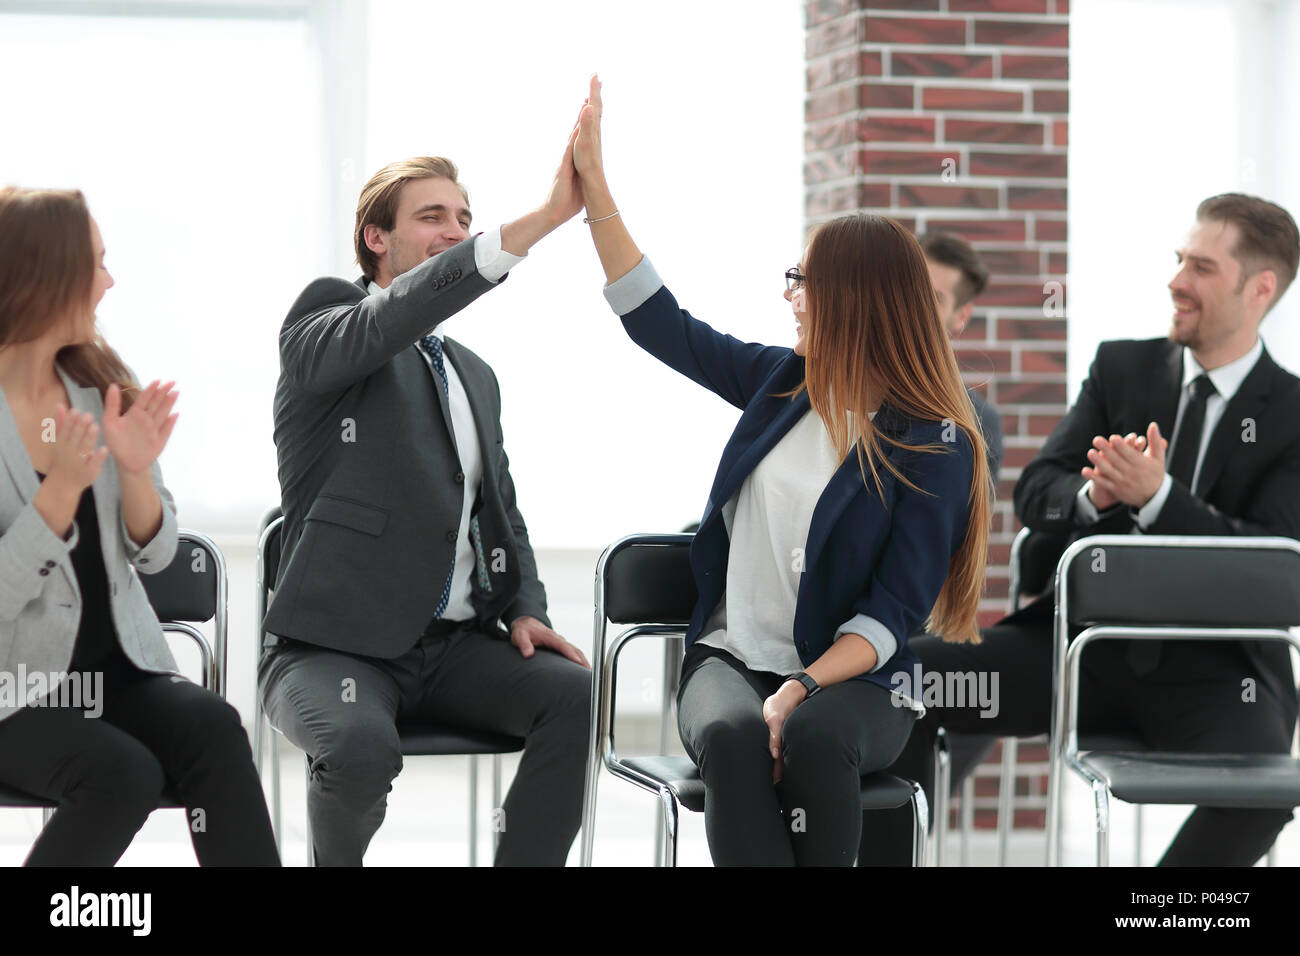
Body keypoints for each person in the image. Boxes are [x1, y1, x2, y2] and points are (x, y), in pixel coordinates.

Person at [572, 76, 991, 865]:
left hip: (864, 680)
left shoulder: (937, 442)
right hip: (731, 659)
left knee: (814, 737)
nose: (789, 296)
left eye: (804, 281)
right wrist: (596, 190)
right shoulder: (780, 384)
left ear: (859, 302)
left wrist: (801, 687)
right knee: (731, 739)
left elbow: (891, 612)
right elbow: (658, 322)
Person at [858, 192, 1300, 866]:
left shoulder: (1293, 414)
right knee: (903, 682)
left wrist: (1159, 501)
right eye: (1180, 260)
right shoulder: (1122, 368)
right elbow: (1037, 492)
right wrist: (1095, 494)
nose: (1176, 280)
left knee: (1266, 790)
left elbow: (1276, 569)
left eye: (1202, 268)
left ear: (1260, 288)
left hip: (1216, 673)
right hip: (1077, 657)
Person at [260, 126, 593, 865]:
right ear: (376, 238)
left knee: (573, 694)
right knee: (356, 746)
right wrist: (538, 220)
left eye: (465, 218)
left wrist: (526, 607)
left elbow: (500, 510)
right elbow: (393, 316)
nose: (456, 231)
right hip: (334, 652)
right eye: (432, 216)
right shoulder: (327, 323)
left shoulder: (473, 373)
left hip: (451, 650)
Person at [0, 186, 279, 866]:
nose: (109, 280)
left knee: (214, 727)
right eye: (96, 263)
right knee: (121, 773)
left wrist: (131, 470)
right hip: (13, 692)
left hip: (117, 674)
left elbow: (154, 560)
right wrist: (60, 490)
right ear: (47, 274)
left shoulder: (99, 389)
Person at [919, 231, 1003, 477]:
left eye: (933, 298)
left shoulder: (976, 422)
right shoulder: (837, 380)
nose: (912, 304)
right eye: (908, 288)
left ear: (961, 317)